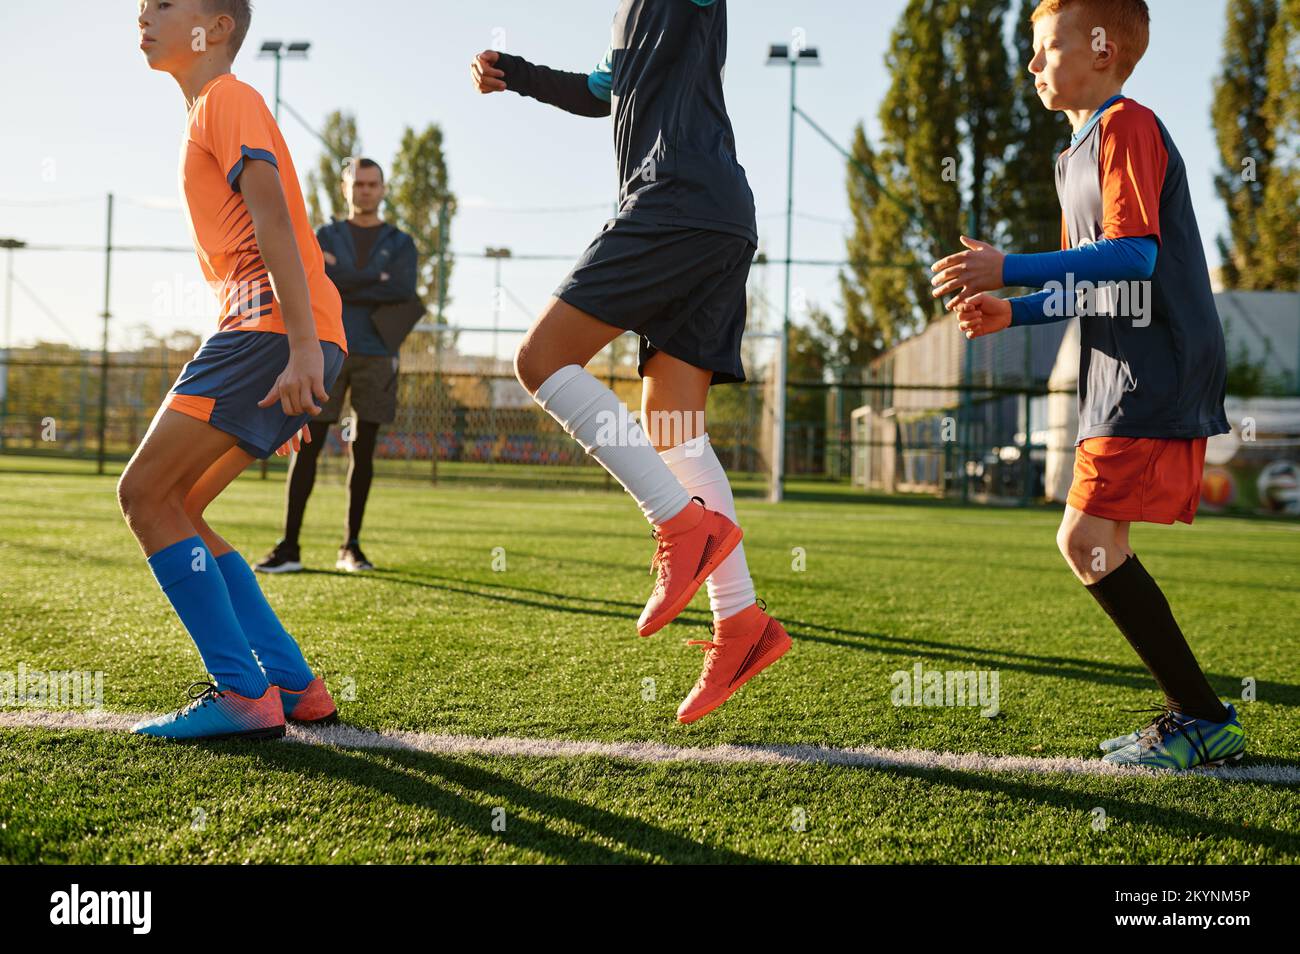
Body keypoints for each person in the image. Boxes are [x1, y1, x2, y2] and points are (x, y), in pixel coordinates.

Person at [929, 0, 1244, 768]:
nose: (1033, 64)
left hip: (1155, 362)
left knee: (1086, 539)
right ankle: (1198, 715)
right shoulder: (1073, 153)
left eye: (1046, 47)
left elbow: (1133, 258)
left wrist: (1011, 266)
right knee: (1097, 541)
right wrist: (1015, 311)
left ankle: (1202, 716)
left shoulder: (1126, 126)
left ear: (1102, 50)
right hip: (1117, 364)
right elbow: (1089, 283)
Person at [470, 0, 791, 725]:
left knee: (541, 358)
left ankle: (682, 525)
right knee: (675, 429)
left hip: (676, 200)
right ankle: (741, 624)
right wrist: (516, 74)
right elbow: (600, 90)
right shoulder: (627, 18)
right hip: (714, 214)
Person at [124, 0, 343, 739]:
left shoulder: (228, 96)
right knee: (179, 505)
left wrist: (302, 348)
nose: (144, 13)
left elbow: (273, 213)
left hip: (273, 330)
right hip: (277, 332)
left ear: (216, 28)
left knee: (144, 495)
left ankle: (242, 693)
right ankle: (293, 683)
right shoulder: (207, 111)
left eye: (164, 4)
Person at [256, 158, 418, 574]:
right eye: (358, 184)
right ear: (345, 188)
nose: (365, 190)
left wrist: (342, 273)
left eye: (372, 184)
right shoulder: (322, 235)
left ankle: (351, 547)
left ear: (383, 189)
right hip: (326, 350)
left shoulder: (401, 243)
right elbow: (313, 280)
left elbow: (401, 287)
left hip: (378, 354)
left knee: (362, 451)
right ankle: (289, 547)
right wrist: (374, 280)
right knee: (307, 446)